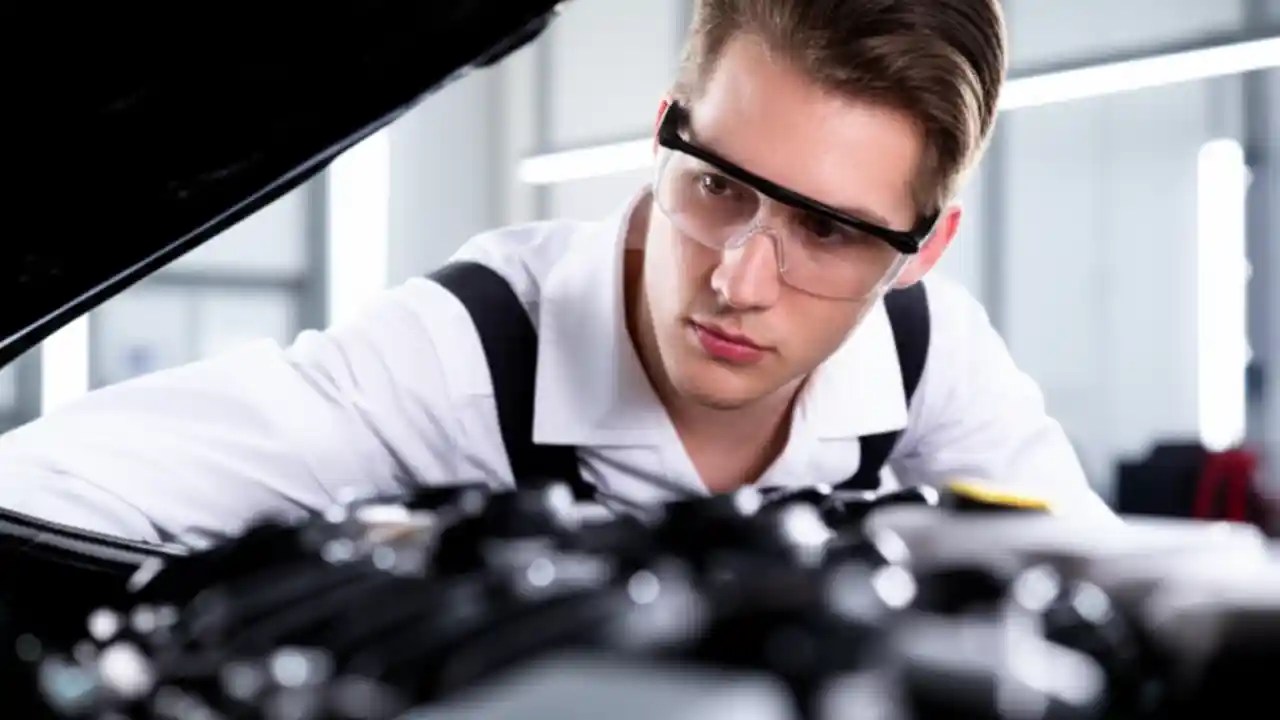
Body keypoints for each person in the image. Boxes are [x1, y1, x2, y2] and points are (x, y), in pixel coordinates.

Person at [0, 0, 1115, 546]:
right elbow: (54, 490)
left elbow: (1109, 578)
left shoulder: (929, 357)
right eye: (718, 184)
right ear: (662, 130)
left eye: (827, 233)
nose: (739, 282)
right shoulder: (466, 354)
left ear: (921, 254)